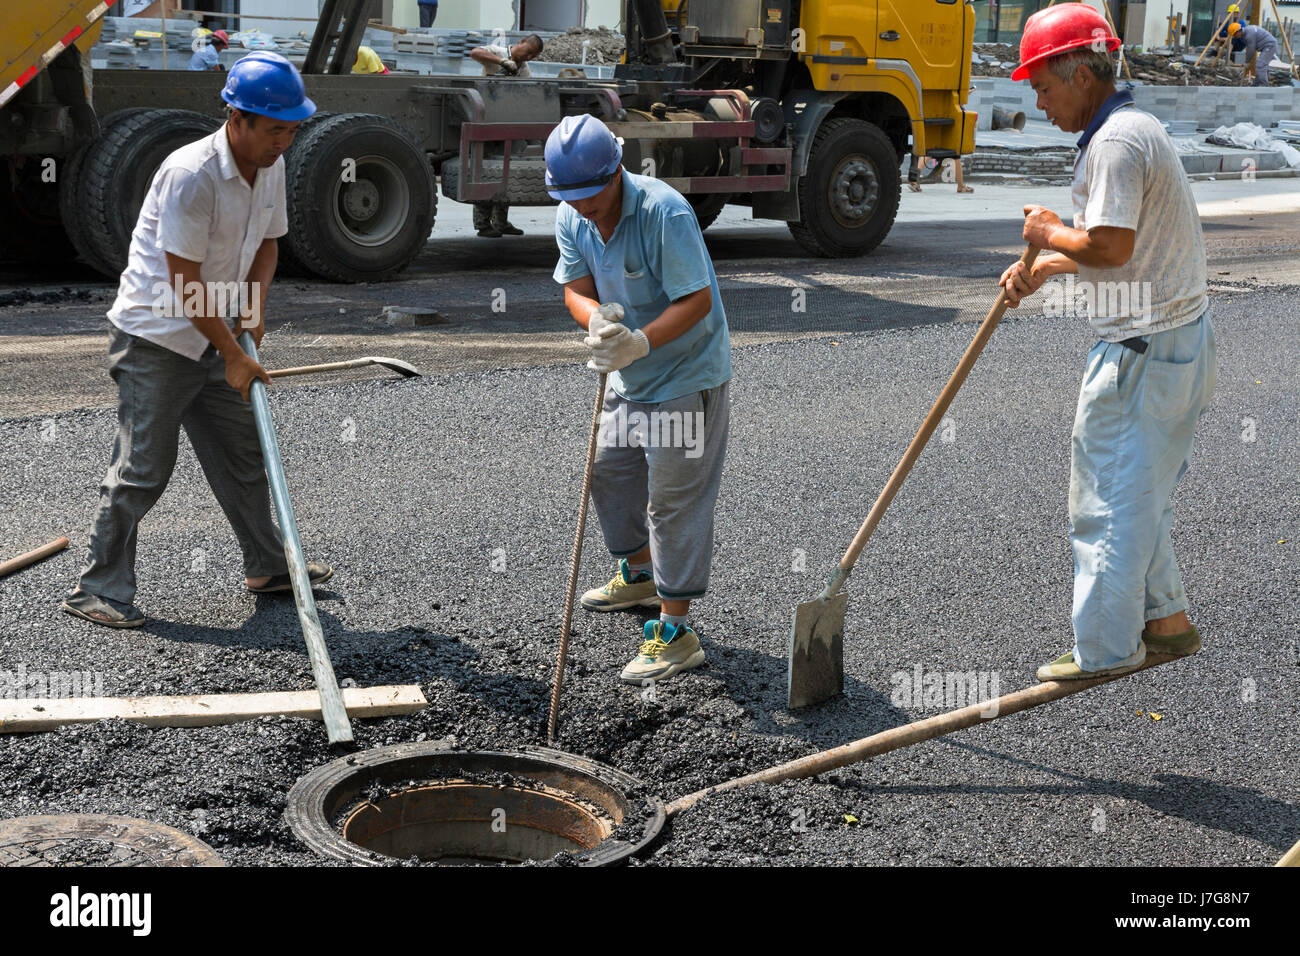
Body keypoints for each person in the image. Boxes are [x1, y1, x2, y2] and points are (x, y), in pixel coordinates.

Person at [61, 52, 332, 629]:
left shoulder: (272, 164)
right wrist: (234, 354)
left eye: (292, 129)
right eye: (275, 128)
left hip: (218, 329)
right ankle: (98, 587)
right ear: (237, 118)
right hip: (155, 334)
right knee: (143, 468)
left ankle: (268, 565)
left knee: (243, 456)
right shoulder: (192, 174)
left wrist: (252, 313)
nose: (284, 140)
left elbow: (267, 245)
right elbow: (183, 281)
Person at [999, 4, 1215, 681]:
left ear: (1081, 74)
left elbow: (1109, 244)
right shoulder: (1131, 129)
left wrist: (1045, 235)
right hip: (1177, 341)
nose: (1039, 103)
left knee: (1106, 501)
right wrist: (1045, 270)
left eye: (1043, 87)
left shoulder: (1116, 143)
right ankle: (1168, 623)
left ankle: (1106, 648)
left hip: (1143, 353)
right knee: (1142, 493)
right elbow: (1120, 250)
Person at [548, 114, 732, 684]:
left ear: (616, 172)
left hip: (683, 375)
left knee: (671, 501)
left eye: (591, 195)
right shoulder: (572, 214)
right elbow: (573, 287)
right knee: (608, 473)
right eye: (571, 197)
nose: (583, 207)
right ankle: (639, 575)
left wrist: (641, 341)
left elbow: (697, 300)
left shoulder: (663, 212)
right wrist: (597, 322)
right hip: (629, 379)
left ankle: (676, 630)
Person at [469, 35, 544, 237]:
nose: (527, 57)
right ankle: (483, 224)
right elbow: (474, 52)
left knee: (505, 173)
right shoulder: (497, 52)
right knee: (487, 171)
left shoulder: (524, 70)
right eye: (527, 51)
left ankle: (501, 222)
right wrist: (502, 62)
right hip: (488, 122)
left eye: (531, 56)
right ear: (520, 42)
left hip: (509, 124)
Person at [1228, 21, 1279, 87]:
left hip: (1270, 45)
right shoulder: (1247, 31)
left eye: (1234, 35)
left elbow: (1251, 50)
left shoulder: (1249, 35)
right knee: (1259, 65)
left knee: (1260, 64)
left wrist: (1247, 62)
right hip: (1267, 46)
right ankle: (1256, 85)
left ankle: (1265, 87)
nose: (1235, 37)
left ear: (1238, 31)